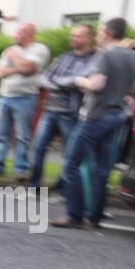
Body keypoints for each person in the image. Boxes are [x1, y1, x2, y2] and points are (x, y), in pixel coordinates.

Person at [52, 17, 135, 230]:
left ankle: (74, 215)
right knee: (102, 171)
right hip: (116, 117)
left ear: (109, 34)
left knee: (71, 166)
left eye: (100, 32)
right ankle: (95, 218)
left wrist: (79, 81)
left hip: (94, 117)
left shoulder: (106, 55)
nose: (98, 36)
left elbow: (97, 84)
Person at [29, 23, 97, 191]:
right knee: (38, 149)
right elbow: (43, 78)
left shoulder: (94, 60)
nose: (72, 38)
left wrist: (58, 82)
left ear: (89, 38)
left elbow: (79, 79)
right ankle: (34, 188)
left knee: (70, 155)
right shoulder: (64, 56)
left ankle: (62, 189)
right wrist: (65, 82)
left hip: (71, 114)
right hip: (50, 111)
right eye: (72, 35)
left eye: (77, 36)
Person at [0, 23, 49, 183]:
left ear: (29, 34)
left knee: (22, 136)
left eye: (19, 33)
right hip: (4, 97)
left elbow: (29, 69)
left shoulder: (39, 49)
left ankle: (20, 169)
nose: (15, 36)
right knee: (1, 135)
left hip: (25, 98)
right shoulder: (8, 49)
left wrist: (13, 59)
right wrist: (19, 66)